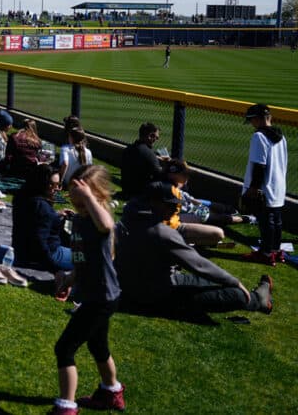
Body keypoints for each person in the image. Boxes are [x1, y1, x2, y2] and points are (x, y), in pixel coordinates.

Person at [115, 181, 273, 318]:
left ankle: (254, 295)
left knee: (208, 281)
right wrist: (234, 281)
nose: (174, 208)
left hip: (127, 287)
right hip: (158, 294)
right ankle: (258, 299)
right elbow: (198, 264)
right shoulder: (161, 232)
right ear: (154, 202)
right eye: (169, 204)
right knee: (235, 293)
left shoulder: (127, 219)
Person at [49, 165, 124, 415]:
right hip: (97, 295)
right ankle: (112, 393)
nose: (78, 201)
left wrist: (90, 199)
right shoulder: (80, 219)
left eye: (84, 197)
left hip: (101, 297)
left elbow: (106, 225)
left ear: (99, 196)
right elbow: (82, 260)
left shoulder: (98, 219)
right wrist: (69, 281)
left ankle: (67, 408)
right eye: (75, 195)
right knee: (98, 345)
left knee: (65, 348)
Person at [241, 103, 288, 265]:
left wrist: (254, 188)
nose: (251, 124)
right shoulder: (281, 136)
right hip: (279, 184)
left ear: (258, 119)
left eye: (252, 120)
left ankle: (266, 254)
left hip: (265, 186)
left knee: (266, 221)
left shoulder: (259, 136)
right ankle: (276, 251)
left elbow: (259, 165)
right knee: (277, 220)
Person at [12, 164, 74, 272]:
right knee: (90, 258)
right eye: (51, 184)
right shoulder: (42, 207)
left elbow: (33, 221)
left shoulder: (23, 197)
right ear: (41, 183)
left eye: (58, 185)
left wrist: (54, 214)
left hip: (20, 249)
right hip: (46, 255)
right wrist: (55, 270)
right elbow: (39, 243)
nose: (56, 189)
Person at [119, 122, 166, 199]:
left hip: (127, 190)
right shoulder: (148, 153)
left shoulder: (128, 149)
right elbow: (160, 174)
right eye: (156, 138)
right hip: (140, 193)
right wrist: (167, 166)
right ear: (150, 136)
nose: (156, 140)